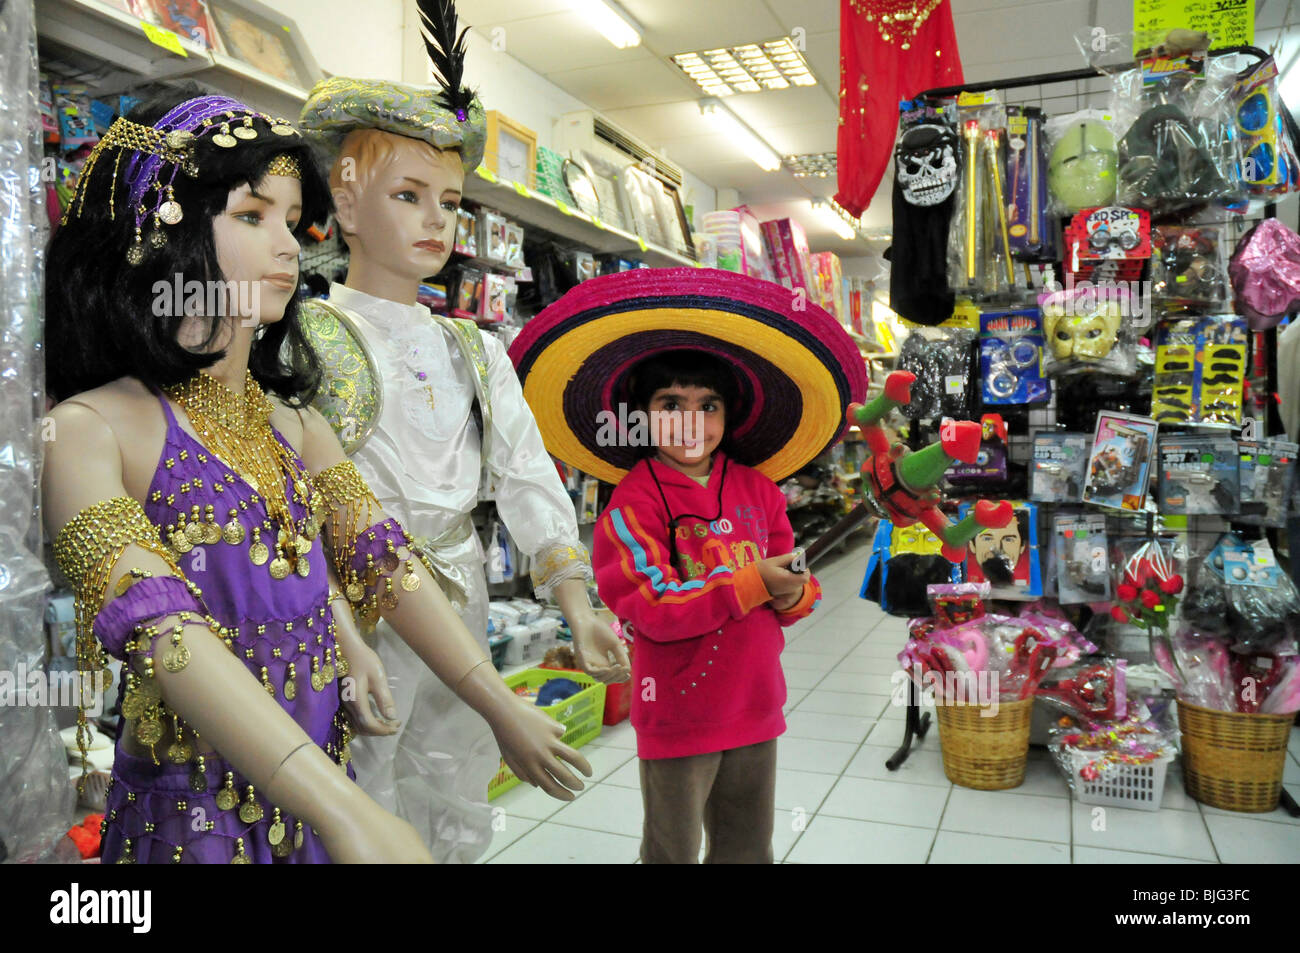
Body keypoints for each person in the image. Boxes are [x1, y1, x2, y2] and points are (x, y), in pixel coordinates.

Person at [41, 88, 586, 864]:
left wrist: (497, 703)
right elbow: (164, 631)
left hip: (321, 790)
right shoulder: (92, 429)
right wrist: (345, 809)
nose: (291, 246)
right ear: (165, 230)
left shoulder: (299, 426)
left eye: (294, 222)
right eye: (253, 216)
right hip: (193, 820)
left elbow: (386, 567)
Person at [295, 0, 626, 862]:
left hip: (465, 588)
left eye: (449, 199)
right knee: (352, 789)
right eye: (408, 195)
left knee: (456, 784)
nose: (437, 220)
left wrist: (574, 601)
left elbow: (523, 475)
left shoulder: (476, 348)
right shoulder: (304, 339)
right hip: (351, 607)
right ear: (346, 198)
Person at [507, 268, 869, 863]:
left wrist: (791, 595)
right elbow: (654, 609)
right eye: (670, 404)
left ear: (731, 414)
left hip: (756, 703)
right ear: (641, 414)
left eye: (709, 406)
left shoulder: (761, 491)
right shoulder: (633, 505)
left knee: (748, 846)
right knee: (672, 849)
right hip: (677, 711)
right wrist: (753, 582)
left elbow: (798, 592)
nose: (690, 422)